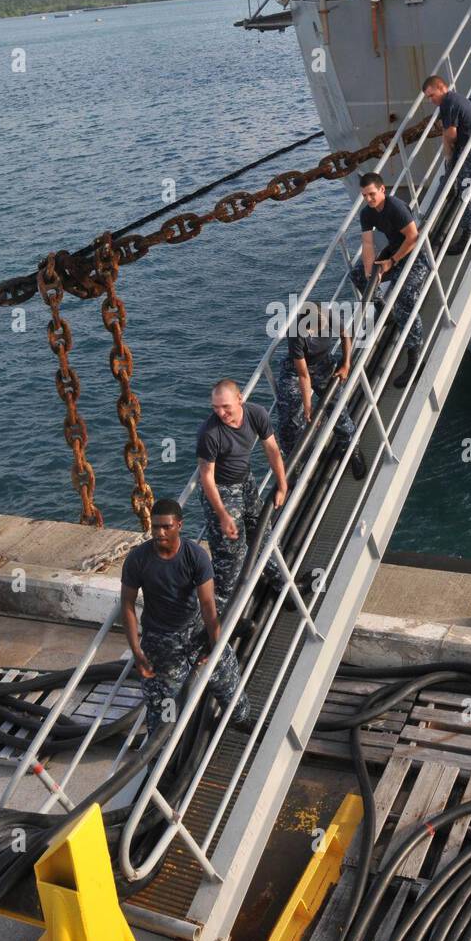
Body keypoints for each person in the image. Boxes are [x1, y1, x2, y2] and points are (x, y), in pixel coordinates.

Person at [121, 498, 252, 736]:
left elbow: (207, 603)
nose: (159, 533)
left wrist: (215, 644)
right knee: (163, 705)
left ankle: (241, 720)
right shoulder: (137, 560)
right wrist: (137, 652)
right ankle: (160, 762)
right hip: (161, 639)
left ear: (179, 525)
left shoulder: (195, 556)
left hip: (196, 628)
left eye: (166, 527)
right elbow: (127, 605)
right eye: (155, 526)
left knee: (227, 677)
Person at [197, 379, 288, 610]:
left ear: (240, 399)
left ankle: (279, 583)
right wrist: (223, 514)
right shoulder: (210, 433)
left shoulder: (256, 414)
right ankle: (222, 616)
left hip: (245, 482)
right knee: (230, 556)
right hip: (221, 491)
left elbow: (272, 449)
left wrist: (282, 485)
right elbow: (207, 478)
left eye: (225, 406)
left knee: (262, 532)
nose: (221, 413)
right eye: (215, 408)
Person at [350, 173, 429, 390]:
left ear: (382, 190)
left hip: (414, 256)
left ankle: (415, 357)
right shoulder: (367, 213)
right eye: (364, 195)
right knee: (357, 274)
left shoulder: (395, 207)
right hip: (394, 252)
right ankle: (386, 311)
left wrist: (391, 262)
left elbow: (413, 237)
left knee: (403, 296)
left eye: (372, 194)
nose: (368, 199)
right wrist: (369, 271)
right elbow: (367, 244)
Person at [275, 301, 366, 478]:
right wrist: (308, 407)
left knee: (338, 409)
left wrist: (346, 364)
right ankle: (296, 461)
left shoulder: (328, 315)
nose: (317, 330)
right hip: (297, 370)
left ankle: (351, 448)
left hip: (322, 364)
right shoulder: (295, 334)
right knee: (289, 416)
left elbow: (345, 335)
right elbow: (303, 375)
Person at [421, 76, 471, 256]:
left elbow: (451, 135)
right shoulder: (451, 100)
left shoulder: (449, 103)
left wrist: (448, 155)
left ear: (441, 87)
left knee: (467, 192)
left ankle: (469, 237)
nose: (430, 100)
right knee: (462, 186)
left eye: (431, 95)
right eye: (428, 97)